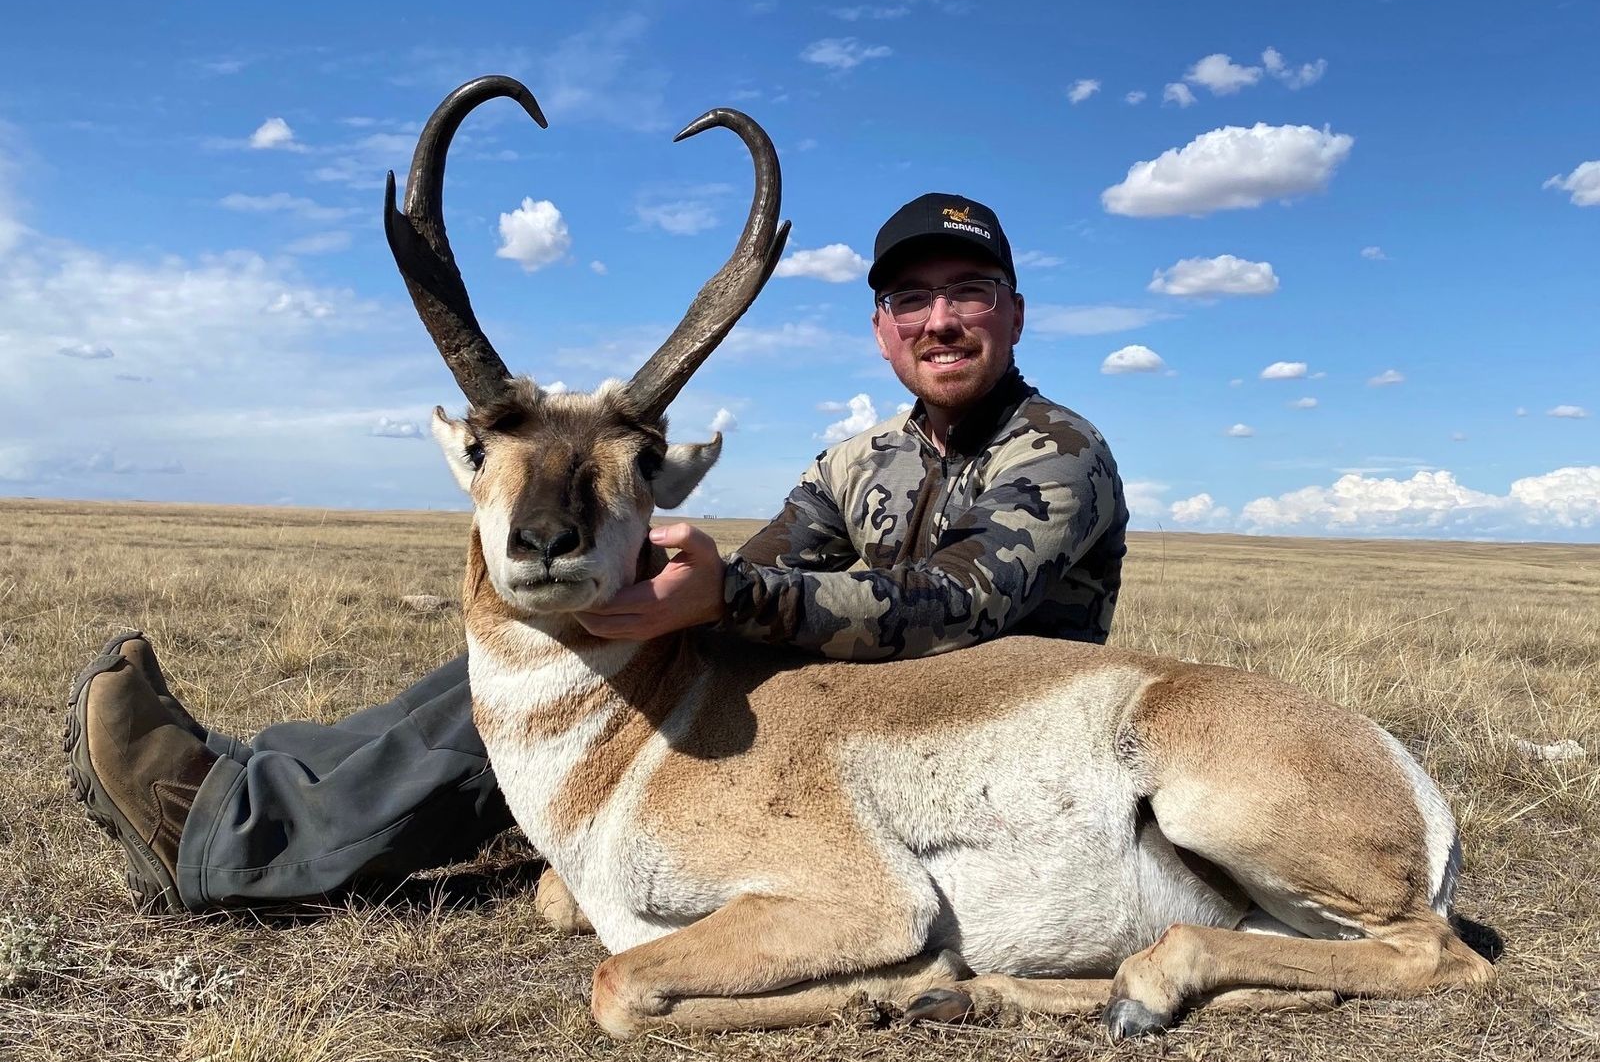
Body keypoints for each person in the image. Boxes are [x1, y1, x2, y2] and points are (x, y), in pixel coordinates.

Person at [65, 192, 1129, 913]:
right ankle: (255, 775)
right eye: (912, 300)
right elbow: (749, 563)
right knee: (548, 646)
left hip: (973, 737)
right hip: (832, 714)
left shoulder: (1060, 453)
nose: (940, 320)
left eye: (968, 294)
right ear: (882, 331)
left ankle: (226, 836)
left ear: (1014, 313)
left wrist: (729, 595)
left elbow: (961, 606)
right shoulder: (856, 460)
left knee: (578, 663)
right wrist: (638, 585)